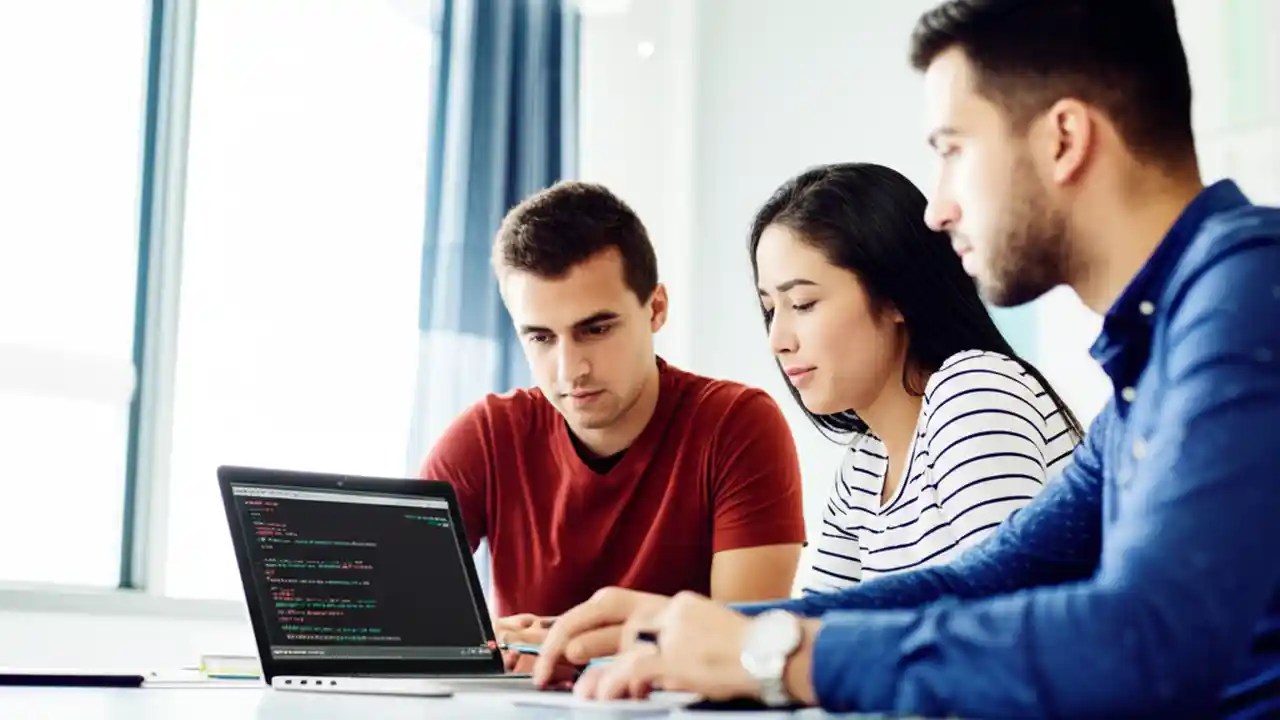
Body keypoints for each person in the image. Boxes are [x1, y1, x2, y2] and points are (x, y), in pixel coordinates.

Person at [532, 2, 1280, 716]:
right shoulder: (1158, 352)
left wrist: (776, 653)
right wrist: (693, 632)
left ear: (1063, 138)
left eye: (953, 150)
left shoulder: (1247, 291)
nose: (937, 208)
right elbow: (991, 577)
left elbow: (1147, 641)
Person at [419, 181, 807, 630]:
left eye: (596, 330)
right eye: (541, 337)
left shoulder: (737, 426)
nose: (570, 370)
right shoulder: (486, 437)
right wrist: (486, 642)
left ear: (656, 308)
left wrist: (565, 646)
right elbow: (399, 611)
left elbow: (740, 644)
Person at [751, 162, 1081, 594]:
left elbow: (1008, 614)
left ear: (895, 297)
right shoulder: (865, 466)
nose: (778, 341)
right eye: (770, 310)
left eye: (803, 303)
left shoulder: (973, 393)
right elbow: (816, 621)